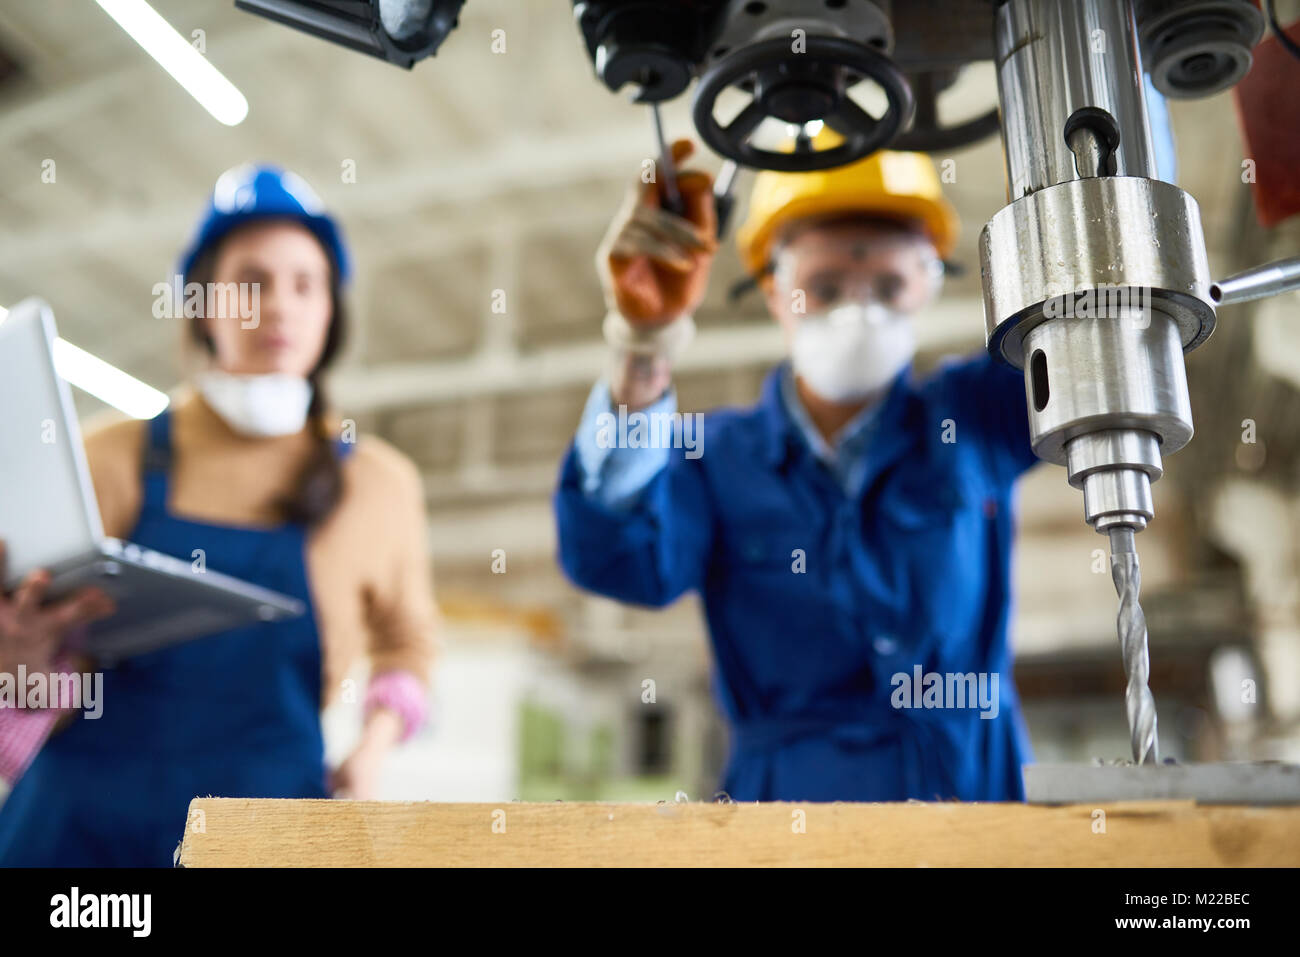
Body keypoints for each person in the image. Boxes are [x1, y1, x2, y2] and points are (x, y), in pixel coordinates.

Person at [554, 137, 1039, 802]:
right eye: (824, 286)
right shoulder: (715, 458)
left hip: (978, 813)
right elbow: (616, 556)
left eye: (889, 283)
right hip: (791, 824)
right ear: (775, 292)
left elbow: (1084, 354)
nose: (857, 309)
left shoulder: (974, 417)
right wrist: (642, 345)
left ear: (927, 284)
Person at [0, 164, 438, 865]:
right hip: (75, 845)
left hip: (263, 840)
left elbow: (409, 646)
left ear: (332, 310)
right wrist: (15, 663)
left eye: (305, 284)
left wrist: (373, 748)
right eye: (251, 281)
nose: (279, 307)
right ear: (201, 301)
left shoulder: (380, 485)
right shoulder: (104, 454)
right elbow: (26, 667)